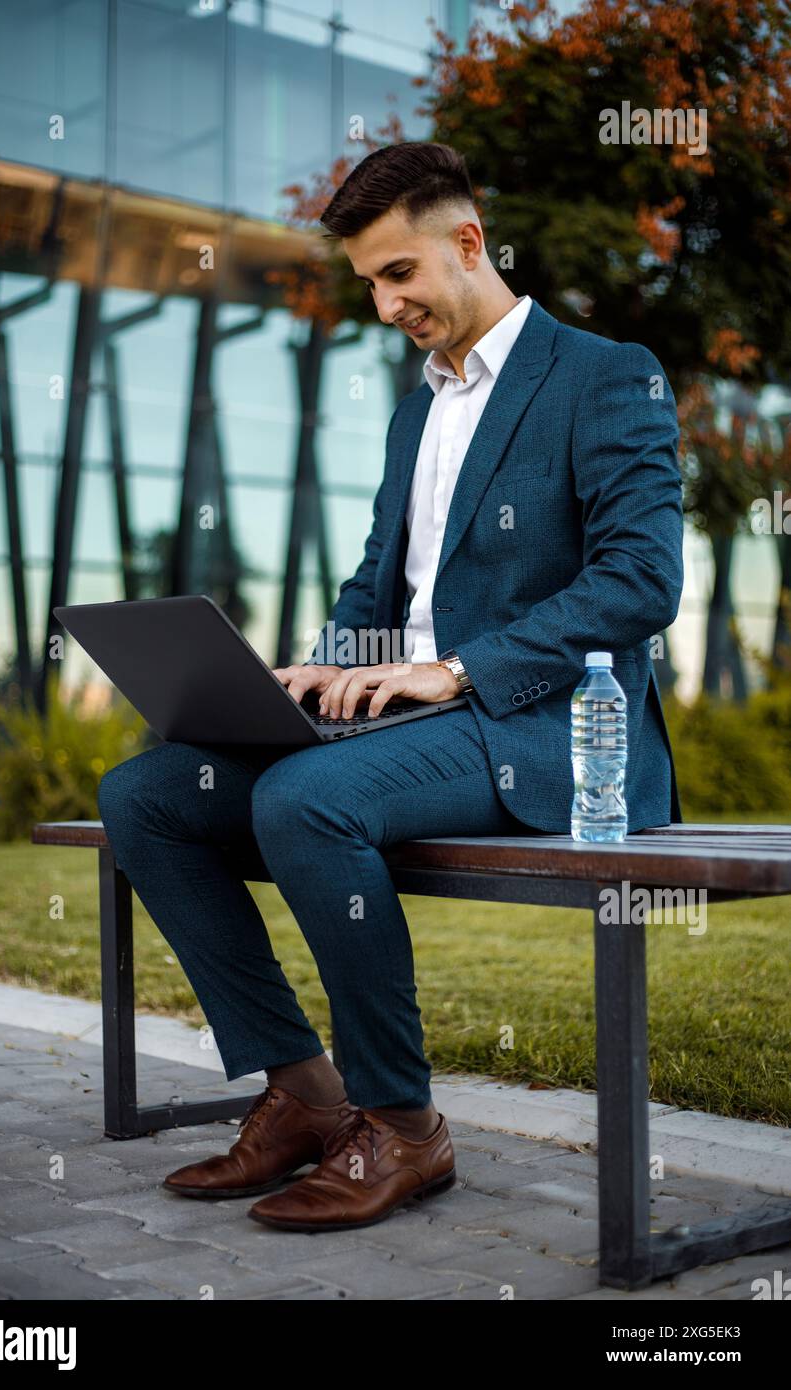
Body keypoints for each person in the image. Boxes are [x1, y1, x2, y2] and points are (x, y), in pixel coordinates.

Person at [97, 141, 684, 1234]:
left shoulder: (607, 375)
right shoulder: (418, 409)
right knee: (146, 797)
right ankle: (304, 1092)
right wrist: (325, 666)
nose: (383, 305)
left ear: (468, 243)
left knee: (301, 801)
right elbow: (381, 582)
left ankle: (404, 1125)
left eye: (398, 274)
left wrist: (454, 667)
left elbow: (640, 579)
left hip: (541, 724)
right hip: (407, 718)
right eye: (369, 281)